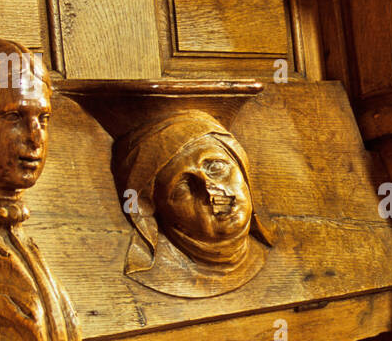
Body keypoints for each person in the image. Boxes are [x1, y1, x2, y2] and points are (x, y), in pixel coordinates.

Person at [112, 110, 273, 298]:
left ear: (241, 167)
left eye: (216, 167)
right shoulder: (162, 280)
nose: (211, 191)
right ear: (152, 207)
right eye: (183, 186)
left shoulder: (284, 257)